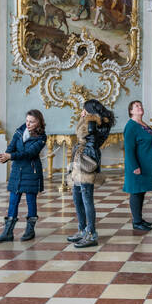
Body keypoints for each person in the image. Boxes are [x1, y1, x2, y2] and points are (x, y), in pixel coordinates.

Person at [0, 109, 47, 242]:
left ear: (39, 122)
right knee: (13, 201)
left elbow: (29, 154)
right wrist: (3, 157)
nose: (28, 124)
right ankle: (8, 232)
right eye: (27, 120)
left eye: (32, 122)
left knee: (30, 201)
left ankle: (30, 230)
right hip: (17, 171)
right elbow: (11, 148)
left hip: (31, 172)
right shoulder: (19, 132)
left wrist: (10, 156)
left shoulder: (42, 137)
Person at [67, 98, 114, 249]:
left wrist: (84, 120)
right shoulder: (92, 120)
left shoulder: (93, 122)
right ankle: (82, 230)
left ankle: (91, 234)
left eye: (84, 109)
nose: (82, 111)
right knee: (77, 197)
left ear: (89, 110)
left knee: (86, 198)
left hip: (85, 162)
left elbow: (91, 143)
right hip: (78, 161)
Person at [123, 99, 152, 231]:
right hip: (136, 166)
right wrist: (135, 166)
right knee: (135, 192)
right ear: (131, 111)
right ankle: (136, 222)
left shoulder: (142, 124)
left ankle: (139, 219)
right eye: (136, 106)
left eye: (140, 105)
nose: (140, 107)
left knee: (141, 192)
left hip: (146, 165)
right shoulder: (131, 126)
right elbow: (128, 149)